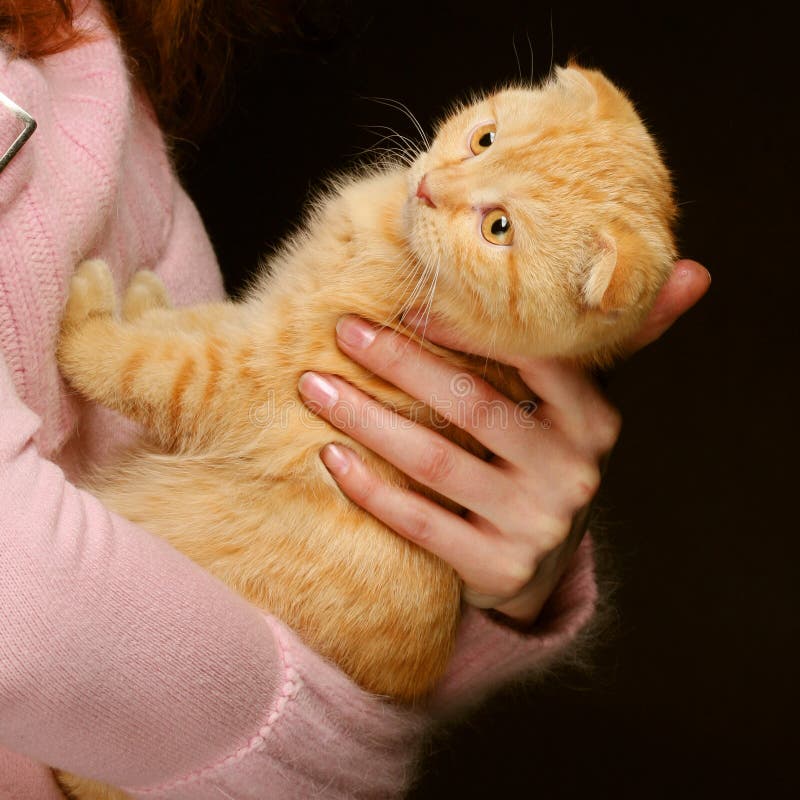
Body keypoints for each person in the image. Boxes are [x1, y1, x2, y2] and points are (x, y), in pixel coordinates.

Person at [0, 1, 710, 797]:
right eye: (482, 140)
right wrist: (333, 748)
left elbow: (226, 391)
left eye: (499, 223)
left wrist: (491, 580)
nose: (440, 183)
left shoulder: (84, 48)